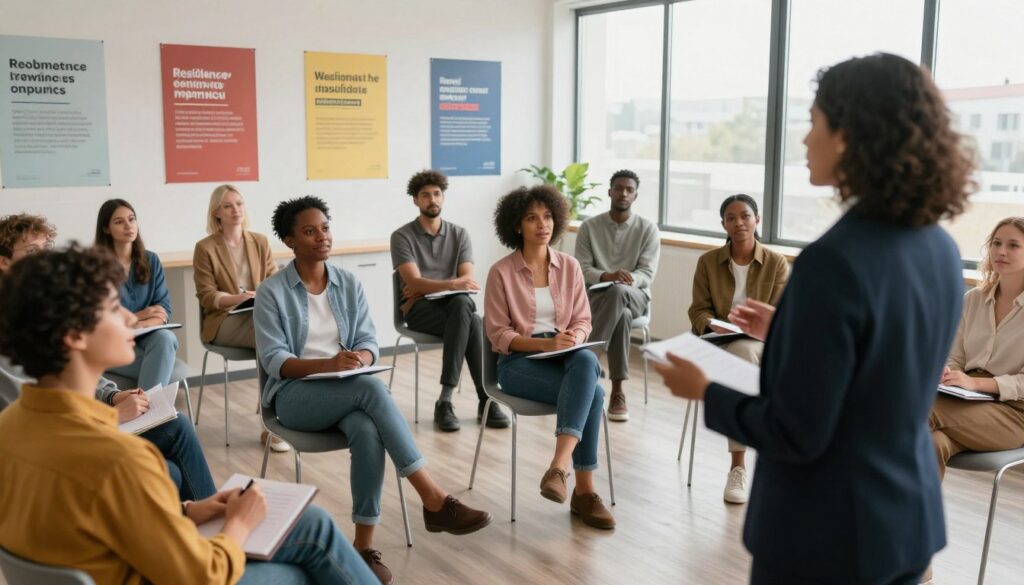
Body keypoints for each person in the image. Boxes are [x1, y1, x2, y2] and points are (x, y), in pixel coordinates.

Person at [654, 53, 974, 584]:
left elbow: (796, 432)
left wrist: (704, 388)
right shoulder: (940, 247)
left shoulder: (834, 260)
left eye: (814, 123)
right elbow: (885, 355)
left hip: (825, 535)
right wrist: (787, 328)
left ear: (849, 135)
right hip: (906, 520)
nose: (805, 140)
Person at [0, 244, 379, 585]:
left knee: (312, 524)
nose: (131, 319)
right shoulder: (120, 461)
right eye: (114, 308)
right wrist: (237, 523)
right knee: (306, 559)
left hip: (116, 563)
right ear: (75, 336)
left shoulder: (10, 427)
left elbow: (80, 522)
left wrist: (186, 510)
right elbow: (202, 577)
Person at [255, 196, 493, 584]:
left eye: (325, 228)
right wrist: (329, 365)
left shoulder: (348, 283)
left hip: (345, 387)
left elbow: (367, 339)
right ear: (289, 240)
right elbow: (274, 359)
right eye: (309, 231)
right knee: (370, 391)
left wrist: (360, 360)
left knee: (367, 429)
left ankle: (364, 548)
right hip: (293, 396)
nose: (321, 237)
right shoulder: (272, 292)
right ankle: (433, 498)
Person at [0, 212, 216, 502]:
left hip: (77, 427)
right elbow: (42, 424)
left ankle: (206, 515)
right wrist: (110, 418)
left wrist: (113, 397)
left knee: (175, 428)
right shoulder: (17, 323)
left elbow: (72, 373)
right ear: (3, 262)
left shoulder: (42, 308)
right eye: (32, 253)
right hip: (67, 442)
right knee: (167, 472)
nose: (128, 317)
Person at [484, 185, 615, 530]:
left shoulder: (569, 267)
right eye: (531, 218)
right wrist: (545, 345)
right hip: (518, 364)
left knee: (587, 361)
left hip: (564, 355)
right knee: (597, 393)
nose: (542, 224)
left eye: (547, 216)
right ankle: (583, 492)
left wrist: (575, 337)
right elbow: (499, 335)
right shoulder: (500, 272)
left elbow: (584, 320)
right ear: (516, 226)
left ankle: (559, 468)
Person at [687, 194, 789, 504]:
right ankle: (755, 458)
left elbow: (780, 317)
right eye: (731, 218)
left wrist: (753, 328)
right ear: (724, 225)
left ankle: (738, 466)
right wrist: (711, 323)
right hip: (717, 340)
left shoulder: (776, 263)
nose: (739, 222)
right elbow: (697, 310)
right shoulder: (708, 262)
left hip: (757, 345)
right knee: (739, 356)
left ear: (757, 220)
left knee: (743, 355)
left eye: (745, 216)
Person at [390, 169, 509, 432]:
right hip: (417, 310)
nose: (432, 199)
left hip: (453, 308)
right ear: (415, 200)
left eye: (436, 194)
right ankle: (484, 398)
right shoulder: (402, 236)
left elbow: (467, 278)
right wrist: (452, 283)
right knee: (471, 317)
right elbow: (414, 283)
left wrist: (433, 285)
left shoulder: (459, 234)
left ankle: (446, 400)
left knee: (464, 308)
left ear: (443, 197)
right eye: (425, 195)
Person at [193, 184, 289, 453]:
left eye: (239, 203)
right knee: (270, 335)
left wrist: (257, 296)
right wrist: (240, 298)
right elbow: (207, 296)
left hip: (259, 314)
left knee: (277, 332)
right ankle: (273, 423)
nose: (236, 210)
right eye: (228, 205)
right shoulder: (205, 248)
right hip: (224, 319)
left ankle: (279, 411)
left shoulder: (259, 241)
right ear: (216, 213)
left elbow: (273, 284)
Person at [931, 217, 1024, 477]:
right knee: (931, 444)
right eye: (996, 243)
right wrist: (949, 374)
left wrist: (975, 384)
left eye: (1013, 245)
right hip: (963, 401)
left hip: (1014, 413)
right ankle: (910, 518)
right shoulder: (974, 299)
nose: (1001, 251)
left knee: (917, 407)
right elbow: (954, 357)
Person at [573, 169, 660, 423]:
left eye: (629, 190)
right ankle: (618, 392)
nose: (623, 193)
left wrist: (627, 279)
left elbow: (647, 272)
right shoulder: (589, 227)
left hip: (636, 294)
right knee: (620, 314)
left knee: (620, 293)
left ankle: (588, 359)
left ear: (635, 196)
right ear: (609, 191)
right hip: (598, 296)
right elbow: (583, 268)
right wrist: (608, 276)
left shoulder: (648, 229)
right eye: (619, 188)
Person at [94, 199, 178, 390]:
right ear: (106, 229)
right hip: (111, 347)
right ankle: (151, 414)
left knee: (166, 338)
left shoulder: (151, 260)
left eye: (132, 219)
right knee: (161, 361)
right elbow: (101, 320)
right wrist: (145, 312)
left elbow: (165, 311)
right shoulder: (96, 265)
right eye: (119, 222)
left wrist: (140, 324)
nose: (128, 225)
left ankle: (143, 413)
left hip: (146, 343)